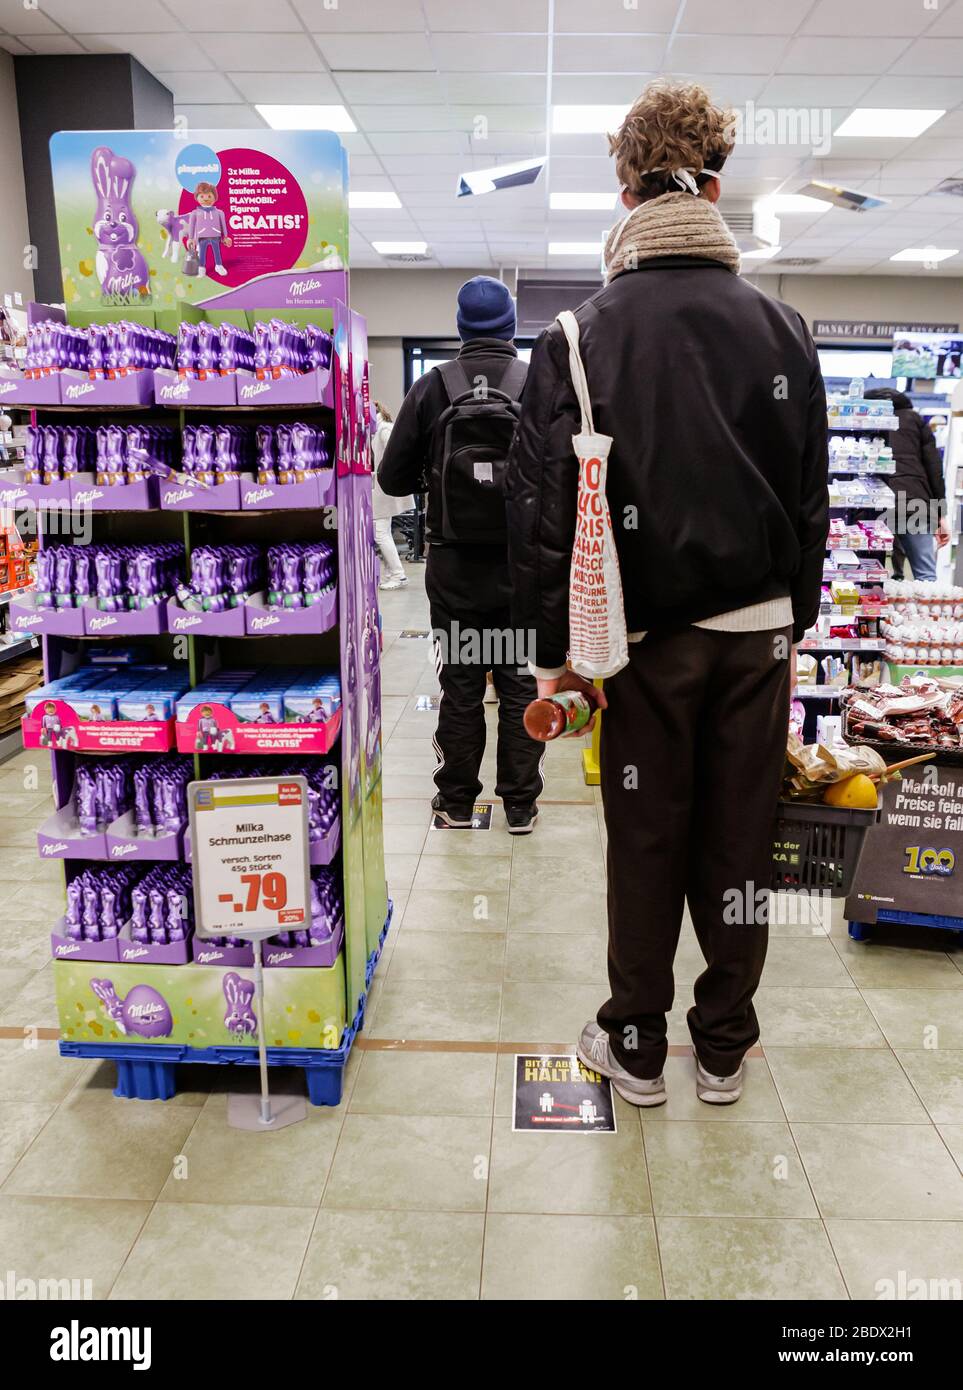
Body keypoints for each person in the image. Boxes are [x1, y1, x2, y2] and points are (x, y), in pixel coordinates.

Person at [506, 79, 829, 1106]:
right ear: (718, 185)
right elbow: (813, 502)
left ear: (624, 192)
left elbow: (546, 515)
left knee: (645, 835)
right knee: (741, 840)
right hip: (758, 636)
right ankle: (725, 1047)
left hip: (639, 641)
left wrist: (557, 655)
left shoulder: (577, 337)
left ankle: (637, 1046)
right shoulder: (789, 332)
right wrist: (796, 622)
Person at [378, 275, 544, 833]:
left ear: (460, 326)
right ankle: (520, 805)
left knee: (463, 684)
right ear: (512, 325)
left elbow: (391, 475)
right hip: (521, 568)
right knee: (520, 682)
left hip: (453, 569)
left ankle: (455, 803)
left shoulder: (433, 387)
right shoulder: (536, 383)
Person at [864, 388, 949, 582]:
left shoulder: (865, 418)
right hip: (913, 501)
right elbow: (934, 468)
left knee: (866, 573)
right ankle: (928, 611)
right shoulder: (915, 420)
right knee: (926, 574)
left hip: (873, 503)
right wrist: (940, 514)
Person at [370, 401, 412, 591]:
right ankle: (390, 574)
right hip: (383, 490)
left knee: (381, 534)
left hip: (384, 491)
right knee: (383, 532)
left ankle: (398, 574)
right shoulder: (379, 428)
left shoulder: (384, 429)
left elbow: (394, 454)